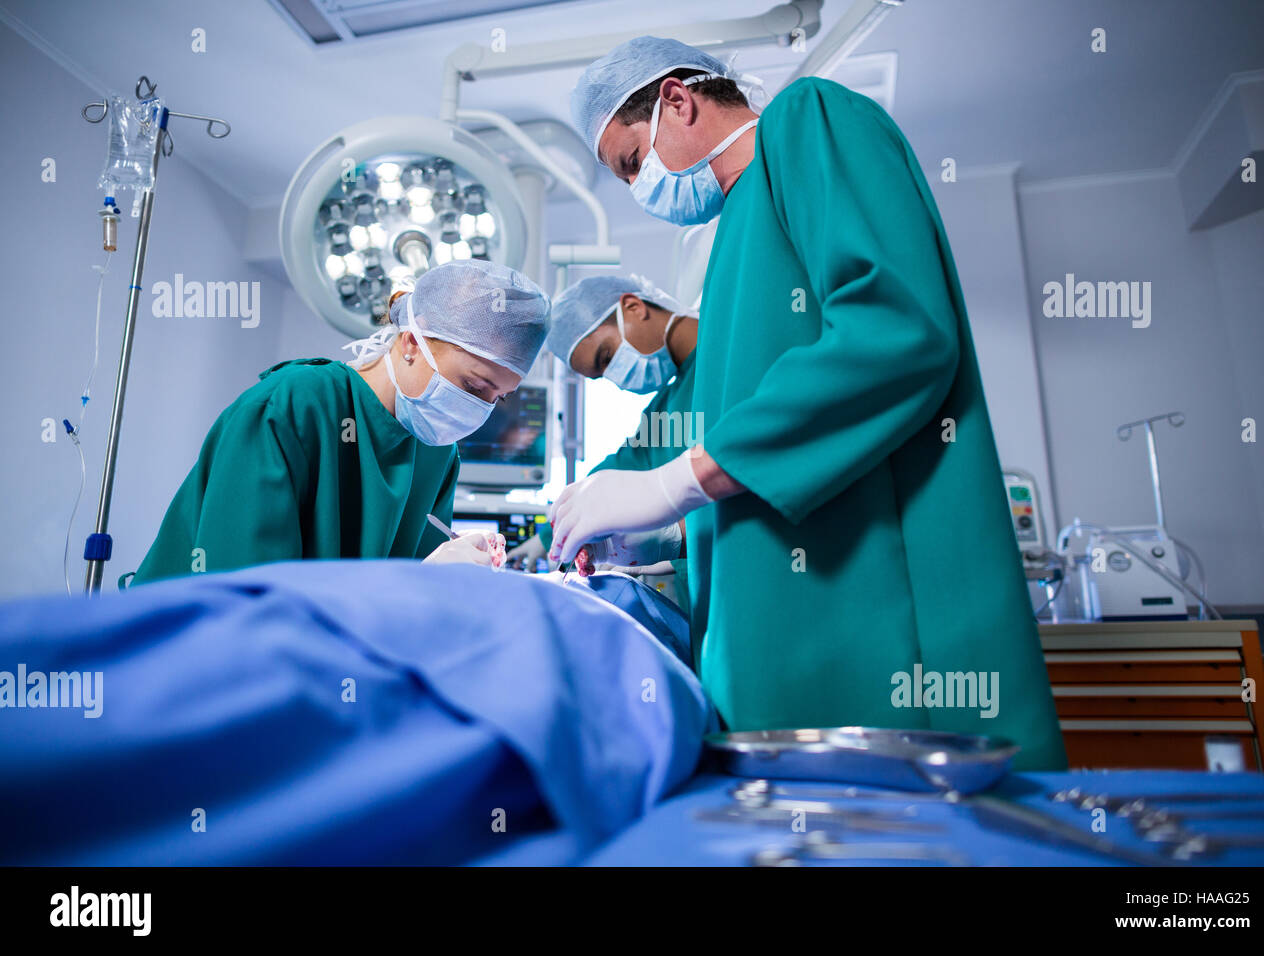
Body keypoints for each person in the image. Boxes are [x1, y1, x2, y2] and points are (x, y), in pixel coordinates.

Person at [551, 36, 1066, 770]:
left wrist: (674, 484)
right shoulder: (730, 251)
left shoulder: (806, 120)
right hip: (771, 658)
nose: (640, 187)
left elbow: (895, 331)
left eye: (633, 161)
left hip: (877, 635)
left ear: (676, 98)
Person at [131, 259, 550, 585]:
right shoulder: (292, 406)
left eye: (498, 398)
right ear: (410, 342)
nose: (480, 410)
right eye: (474, 386)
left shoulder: (436, 452)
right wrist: (417, 582)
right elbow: (244, 599)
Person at [508, 275, 697, 603]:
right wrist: (550, 536)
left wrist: (677, 536)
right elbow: (617, 470)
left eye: (607, 357)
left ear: (634, 307)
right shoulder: (664, 411)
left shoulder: (734, 355)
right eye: (603, 375)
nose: (617, 378)